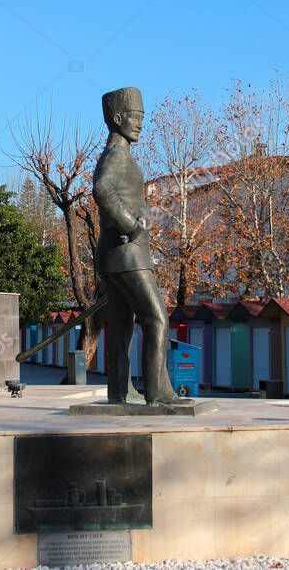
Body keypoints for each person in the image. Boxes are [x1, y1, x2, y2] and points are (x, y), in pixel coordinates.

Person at [93, 87, 190, 406]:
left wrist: (135, 219)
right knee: (156, 318)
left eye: (142, 117)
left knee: (122, 328)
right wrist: (130, 225)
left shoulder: (116, 153)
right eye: (135, 117)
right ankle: (157, 392)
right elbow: (102, 190)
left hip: (114, 255)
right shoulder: (117, 155)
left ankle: (120, 391)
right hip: (127, 255)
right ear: (118, 118)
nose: (140, 124)